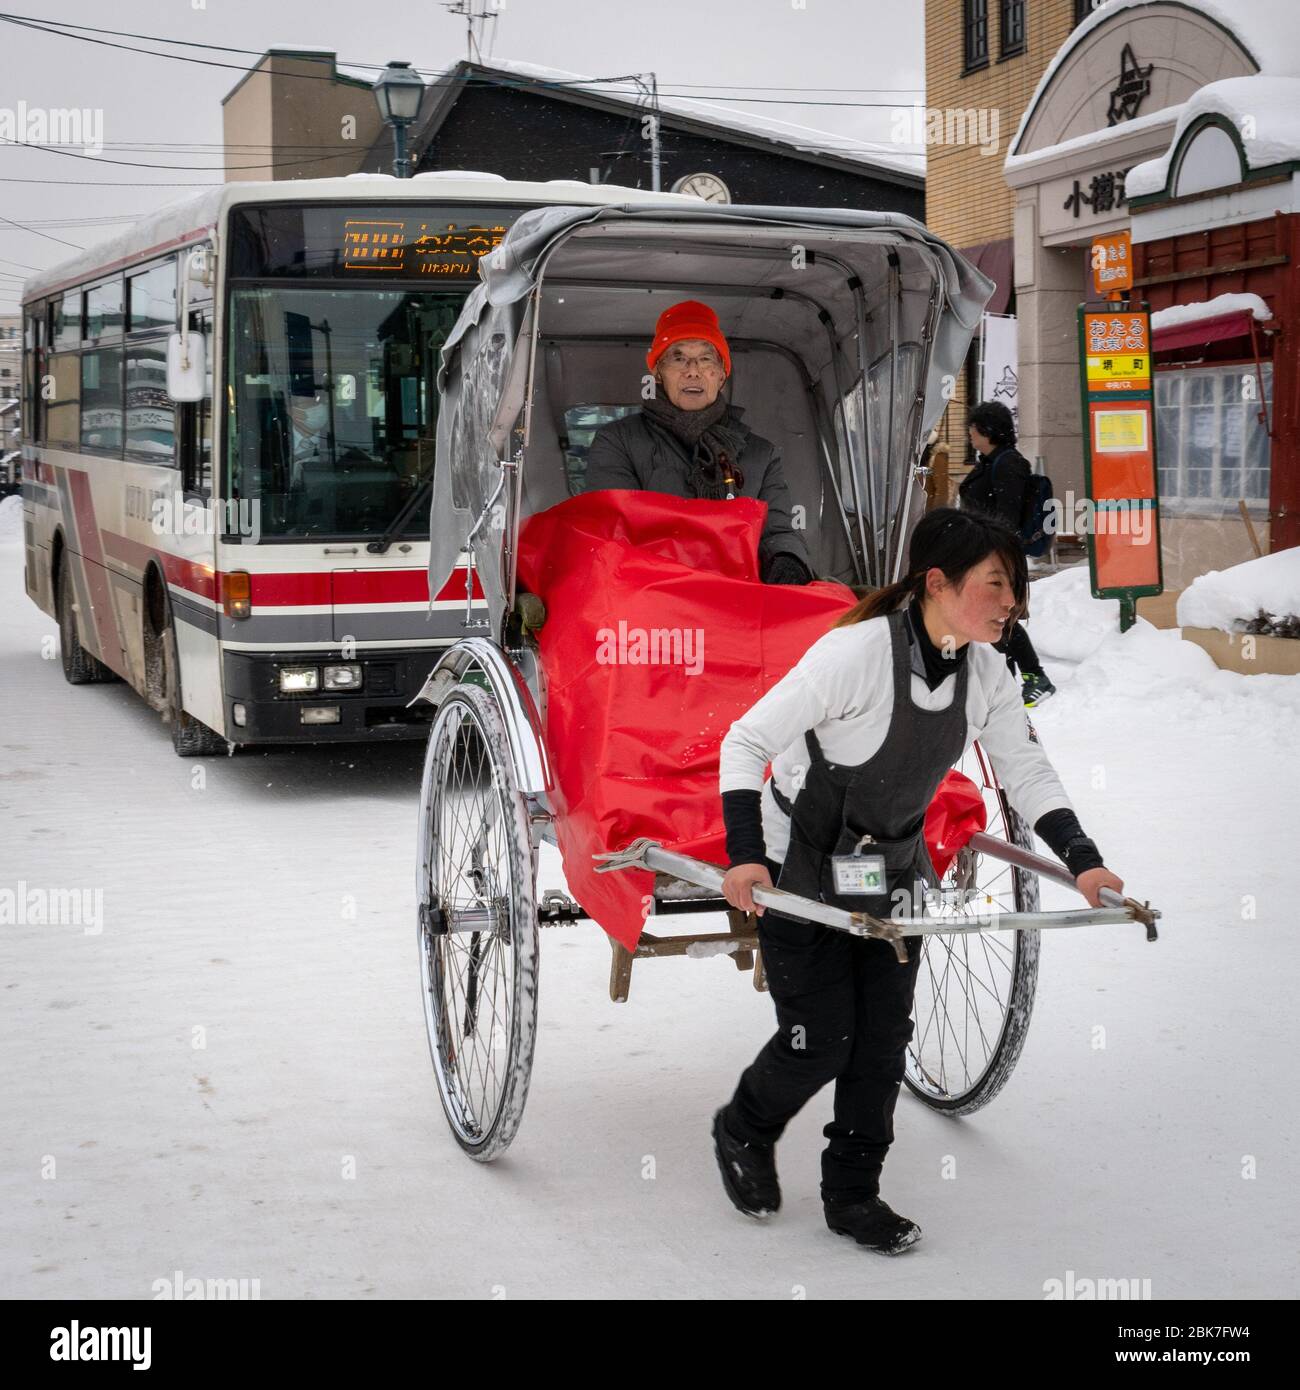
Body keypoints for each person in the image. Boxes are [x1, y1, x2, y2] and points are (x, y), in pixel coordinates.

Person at [711, 506, 1123, 1254]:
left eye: (1016, 587)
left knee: (883, 1040)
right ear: (937, 583)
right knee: (819, 1039)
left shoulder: (990, 671)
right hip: (799, 859)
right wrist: (745, 856)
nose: (1012, 603)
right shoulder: (856, 655)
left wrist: (1083, 859)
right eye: (997, 585)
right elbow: (745, 741)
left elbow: (1026, 770)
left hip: (890, 865)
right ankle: (743, 1129)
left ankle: (854, 1193)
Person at [584, 300, 814, 585]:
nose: (692, 370)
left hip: (739, 601)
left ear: (721, 375)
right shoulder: (618, 442)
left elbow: (780, 533)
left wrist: (787, 563)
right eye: (678, 358)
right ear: (658, 373)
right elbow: (612, 530)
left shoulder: (760, 454)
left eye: (706, 359)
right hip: (651, 601)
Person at [960, 400, 1056, 706]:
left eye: (973, 429)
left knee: (1002, 619)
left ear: (987, 431)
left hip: (1000, 557)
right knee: (993, 618)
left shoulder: (1009, 464)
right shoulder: (989, 462)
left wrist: (992, 556)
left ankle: (1035, 676)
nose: (970, 435)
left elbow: (1007, 516)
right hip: (984, 553)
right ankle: (1010, 678)